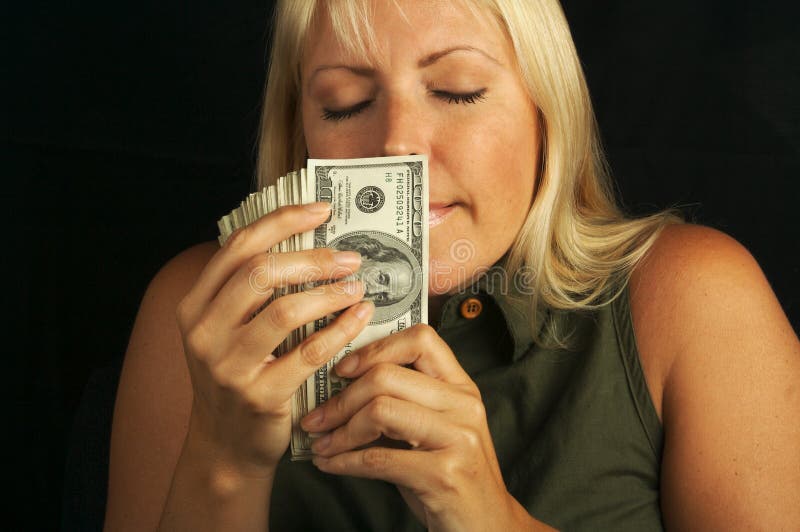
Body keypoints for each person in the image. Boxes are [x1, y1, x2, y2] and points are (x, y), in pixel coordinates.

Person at [104, 1, 800, 530]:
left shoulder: (692, 302)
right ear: (301, 132)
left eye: (458, 91)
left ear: (545, 111)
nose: (398, 144)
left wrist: (492, 519)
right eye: (346, 104)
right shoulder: (204, 315)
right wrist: (223, 461)